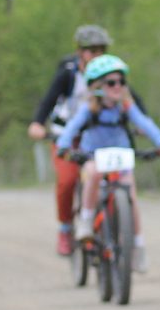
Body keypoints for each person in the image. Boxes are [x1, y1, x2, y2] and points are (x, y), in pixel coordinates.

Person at [55, 54, 160, 273]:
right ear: (97, 86)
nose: (117, 87)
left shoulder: (126, 107)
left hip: (120, 156)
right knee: (93, 172)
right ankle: (86, 221)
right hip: (93, 155)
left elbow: (145, 123)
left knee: (131, 194)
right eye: (111, 83)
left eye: (121, 82)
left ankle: (137, 246)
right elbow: (71, 129)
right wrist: (63, 145)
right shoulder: (89, 109)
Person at [28, 24, 120, 256]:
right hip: (66, 136)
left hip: (99, 136)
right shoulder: (68, 73)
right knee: (67, 181)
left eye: (101, 50)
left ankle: (111, 228)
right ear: (80, 51)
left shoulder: (112, 73)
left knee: (114, 179)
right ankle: (65, 228)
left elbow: (131, 99)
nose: (96, 55)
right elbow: (49, 99)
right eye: (91, 50)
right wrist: (38, 124)